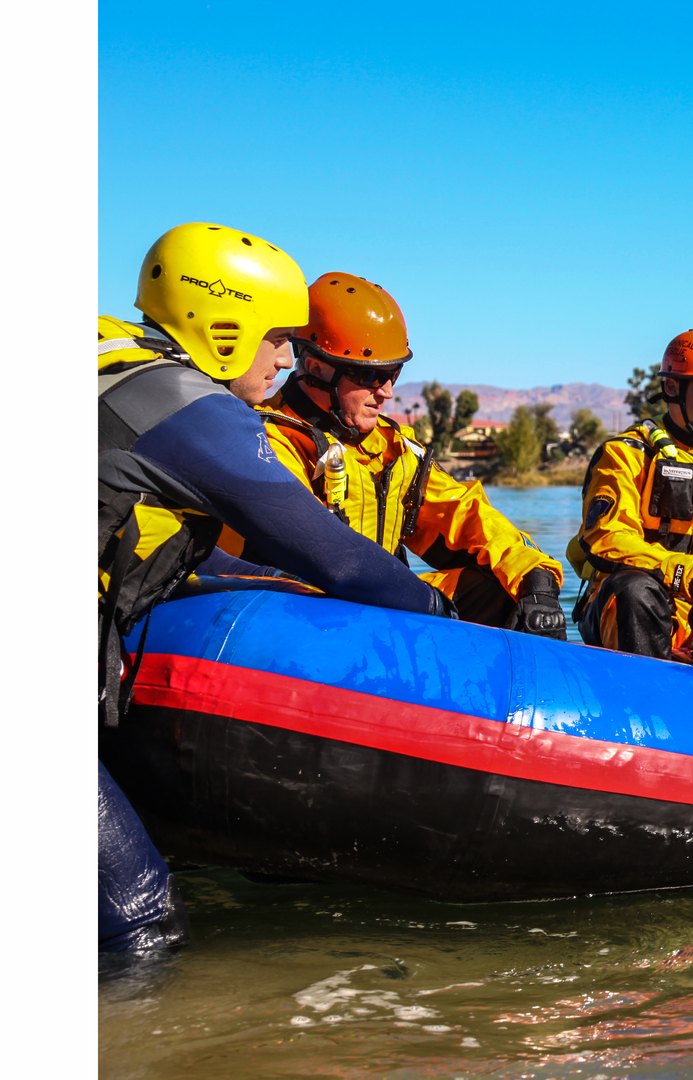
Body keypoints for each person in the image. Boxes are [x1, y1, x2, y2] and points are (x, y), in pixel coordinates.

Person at [98, 223, 454, 951]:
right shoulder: (193, 410)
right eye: (279, 338)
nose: (289, 359)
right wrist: (437, 613)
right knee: (142, 920)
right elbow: (340, 559)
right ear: (221, 326)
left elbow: (168, 551)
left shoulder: (111, 365)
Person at [232, 272, 567, 638]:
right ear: (316, 369)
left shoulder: (394, 449)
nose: (387, 392)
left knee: (502, 587)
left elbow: (463, 515)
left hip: (381, 611)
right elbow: (310, 555)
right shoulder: (267, 441)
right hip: (298, 622)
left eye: (394, 373)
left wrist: (536, 578)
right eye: (371, 376)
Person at [566, 327, 693, 658]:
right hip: (627, 606)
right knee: (636, 591)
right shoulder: (625, 455)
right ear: (672, 387)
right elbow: (607, 539)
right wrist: (683, 571)